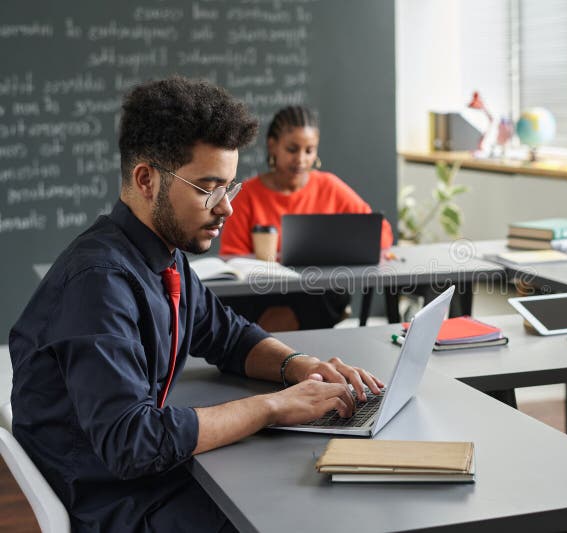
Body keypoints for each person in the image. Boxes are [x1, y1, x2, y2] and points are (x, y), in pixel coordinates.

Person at [8, 77, 384, 533]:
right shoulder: (99, 284)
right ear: (146, 180)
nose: (225, 208)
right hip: (116, 502)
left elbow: (228, 336)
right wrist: (273, 407)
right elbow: (134, 443)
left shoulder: (163, 256)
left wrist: (302, 367)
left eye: (230, 187)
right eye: (209, 187)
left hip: (149, 480)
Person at [219, 105, 394, 332]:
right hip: (261, 292)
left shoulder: (330, 187)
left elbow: (381, 233)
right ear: (273, 146)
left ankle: (265, 351)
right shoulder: (248, 195)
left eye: (309, 150)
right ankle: (274, 354)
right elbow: (233, 260)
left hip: (314, 291)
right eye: (292, 149)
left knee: (327, 294)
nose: (301, 159)